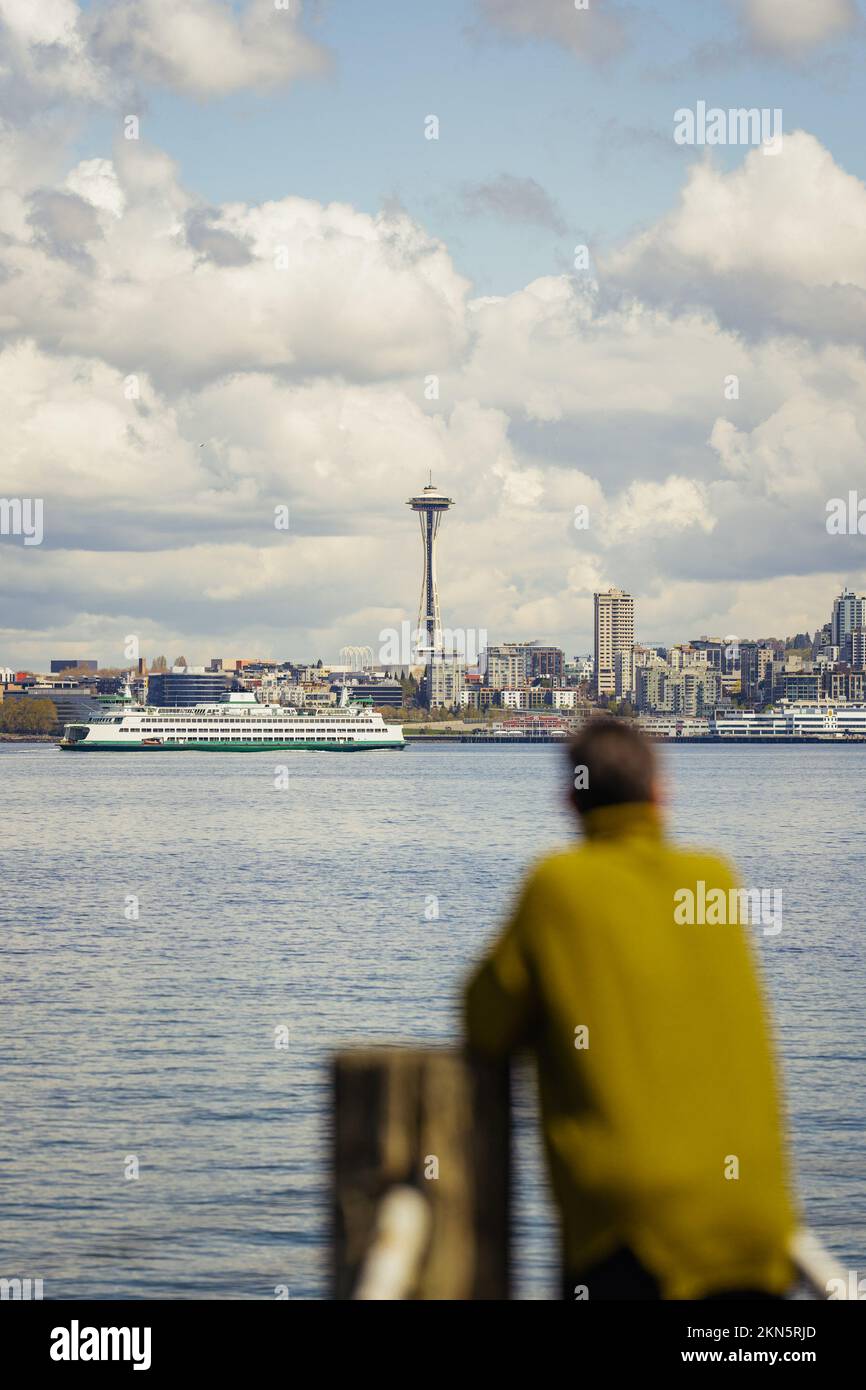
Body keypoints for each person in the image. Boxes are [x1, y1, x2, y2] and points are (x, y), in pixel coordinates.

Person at [463, 718, 797, 1300]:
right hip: (755, 1228)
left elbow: (483, 1020)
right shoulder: (714, 878)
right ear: (661, 794)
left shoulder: (559, 886)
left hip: (634, 1240)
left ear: (570, 799)